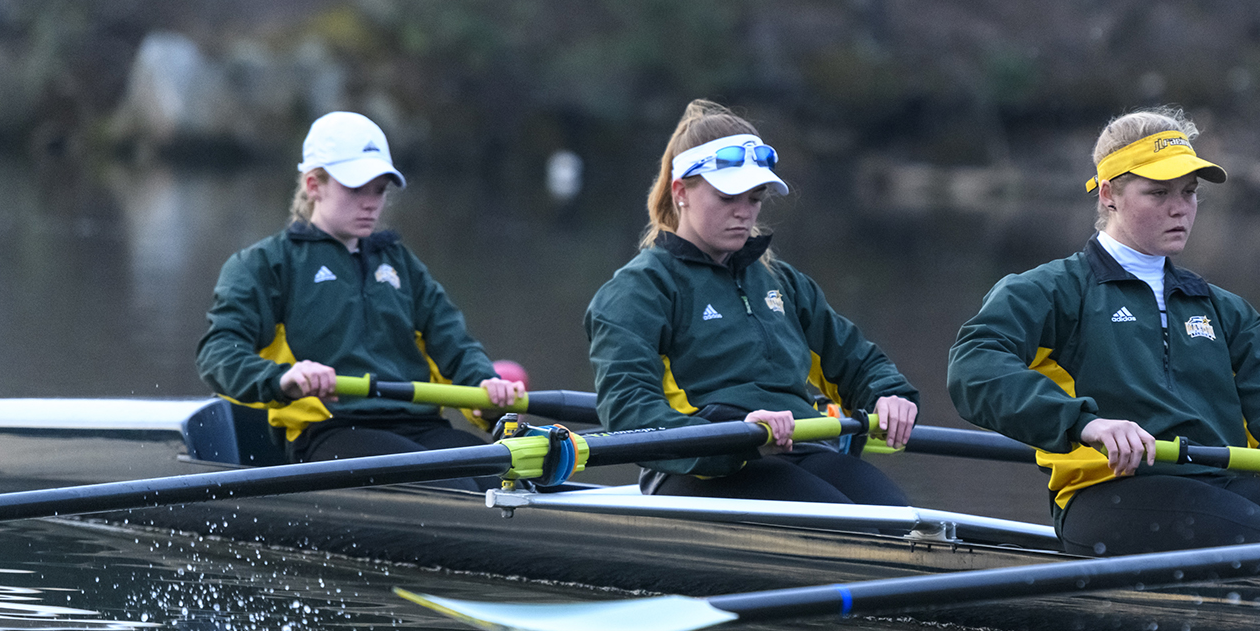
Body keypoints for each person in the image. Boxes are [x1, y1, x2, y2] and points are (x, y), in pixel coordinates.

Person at [947, 107, 1260, 557]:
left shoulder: (1227, 311)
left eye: (1190, 192)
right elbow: (974, 370)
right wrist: (1088, 424)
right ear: (1109, 195)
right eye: (1158, 193)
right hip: (1110, 496)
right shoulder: (1051, 291)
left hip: (1224, 489)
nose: (1180, 207)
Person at [584, 100, 920, 505]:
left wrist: (888, 395)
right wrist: (737, 433)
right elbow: (628, 410)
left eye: (755, 197)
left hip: (801, 448)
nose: (745, 212)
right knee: (849, 522)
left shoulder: (784, 283)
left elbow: (858, 362)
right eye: (728, 197)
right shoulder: (639, 289)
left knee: (899, 517)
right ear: (681, 192)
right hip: (701, 466)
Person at [196, 112, 525, 483]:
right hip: (329, 433)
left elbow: (457, 348)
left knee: (509, 475)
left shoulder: (402, 264)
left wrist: (487, 387)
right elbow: (218, 352)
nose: (371, 203)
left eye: (380, 190)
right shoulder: (265, 265)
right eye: (356, 189)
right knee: (455, 482)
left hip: (419, 426)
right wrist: (283, 378)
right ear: (314, 184)